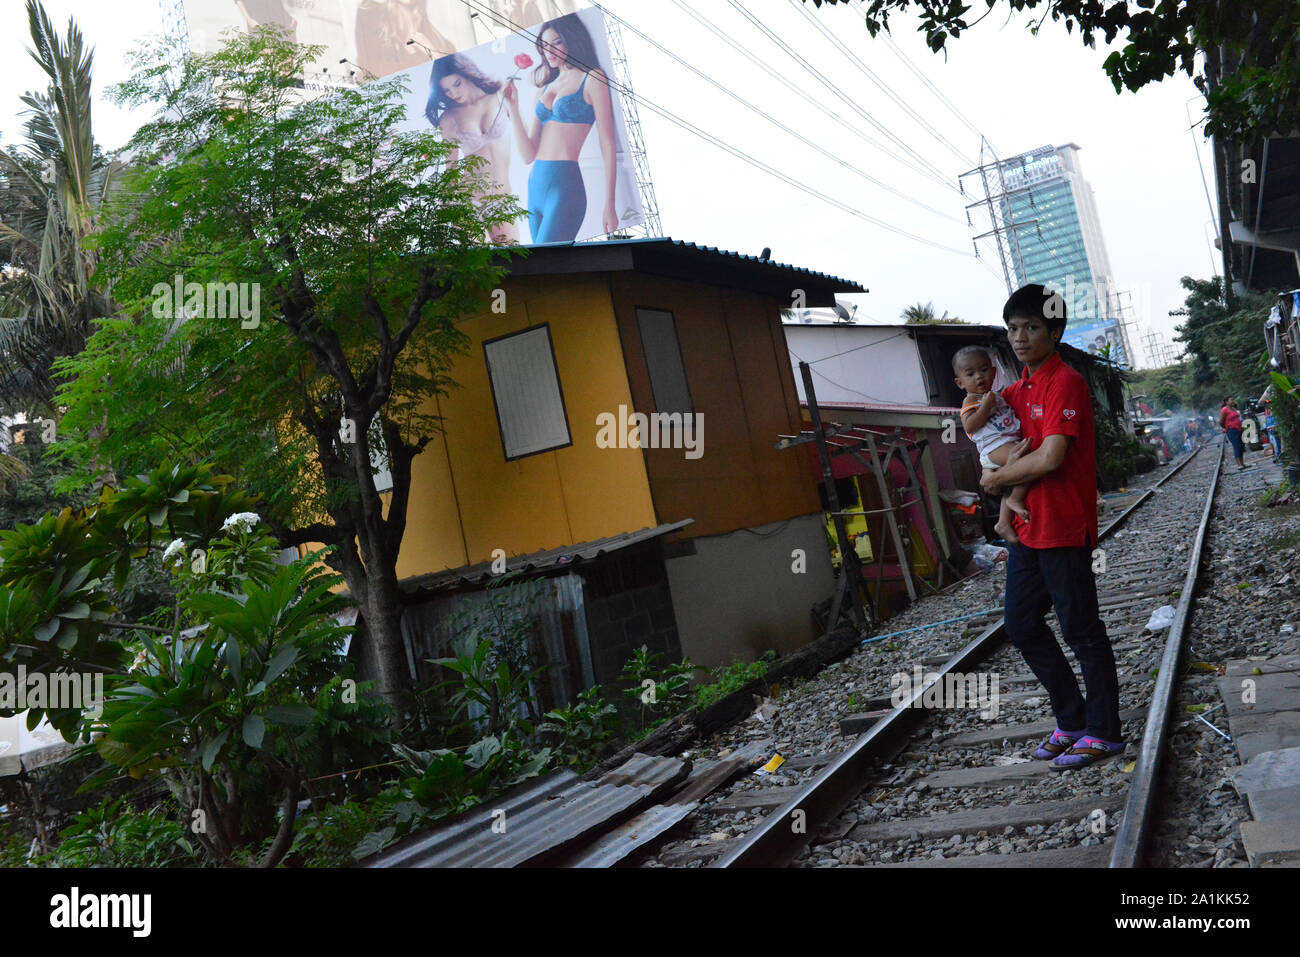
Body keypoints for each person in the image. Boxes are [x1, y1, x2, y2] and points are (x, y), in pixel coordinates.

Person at [980, 284, 1124, 771]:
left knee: (1081, 629)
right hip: (1027, 528)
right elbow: (993, 440)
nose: (1020, 337)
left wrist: (995, 479)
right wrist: (997, 478)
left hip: (1063, 524)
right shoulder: (1016, 391)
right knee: (1021, 625)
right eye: (1013, 328)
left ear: (1055, 332)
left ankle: (1105, 731)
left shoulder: (1066, 381)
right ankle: (1073, 718)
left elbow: (1051, 455)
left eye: (1032, 327)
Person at [501, 13, 621, 242]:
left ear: (571, 39)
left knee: (546, 263)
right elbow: (528, 155)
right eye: (545, 46)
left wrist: (610, 204)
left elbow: (607, 142)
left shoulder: (593, 78)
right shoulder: (544, 88)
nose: (550, 51)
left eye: (557, 42)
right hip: (535, 185)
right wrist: (513, 108)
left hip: (564, 186)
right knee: (541, 269)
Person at [427, 54, 520, 243]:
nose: (453, 93)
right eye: (446, 90)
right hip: (467, 202)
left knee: (515, 263)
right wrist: (443, 214)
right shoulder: (449, 117)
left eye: (456, 84)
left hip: (502, 199)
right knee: (482, 265)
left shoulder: (499, 93)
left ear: (467, 74)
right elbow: (450, 168)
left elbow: (520, 128)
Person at [953, 345, 1030, 545]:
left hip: (1006, 444)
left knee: (1019, 474)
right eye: (970, 374)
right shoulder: (971, 400)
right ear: (960, 382)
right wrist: (985, 407)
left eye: (984, 370)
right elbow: (969, 425)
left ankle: (1003, 522)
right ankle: (1016, 499)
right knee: (1029, 462)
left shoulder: (998, 396)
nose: (979, 377)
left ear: (994, 372)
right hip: (994, 448)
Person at [1219, 395, 1246, 469]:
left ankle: (1242, 463)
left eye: (1233, 400)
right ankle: (1239, 464)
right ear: (1226, 402)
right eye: (1231, 400)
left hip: (1239, 429)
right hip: (1232, 430)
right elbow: (1221, 422)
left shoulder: (1233, 409)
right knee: (1236, 446)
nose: (1233, 401)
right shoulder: (1224, 410)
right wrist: (1227, 427)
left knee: (1241, 446)